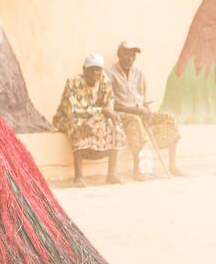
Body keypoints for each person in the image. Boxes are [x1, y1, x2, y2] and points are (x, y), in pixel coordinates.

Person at [107, 40, 184, 179]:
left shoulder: (139, 73)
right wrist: (137, 111)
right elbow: (111, 104)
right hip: (123, 115)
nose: (130, 58)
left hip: (141, 113)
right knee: (135, 120)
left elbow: (145, 100)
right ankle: (137, 171)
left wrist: (147, 113)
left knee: (168, 119)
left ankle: (172, 166)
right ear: (119, 55)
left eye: (133, 55)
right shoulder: (110, 73)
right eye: (126, 54)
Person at [52, 53, 126, 187]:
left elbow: (109, 107)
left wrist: (95, 117)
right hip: (68, 118)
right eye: (91, 69)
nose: (95, 73)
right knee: (79, 126)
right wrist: (101, 112)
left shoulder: (105, 81)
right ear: (84, 70)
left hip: (95, 118)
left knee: (115, 126)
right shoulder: (73, 82)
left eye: (98, 69)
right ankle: (78, 176)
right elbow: (73, 110)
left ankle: (112, 174)